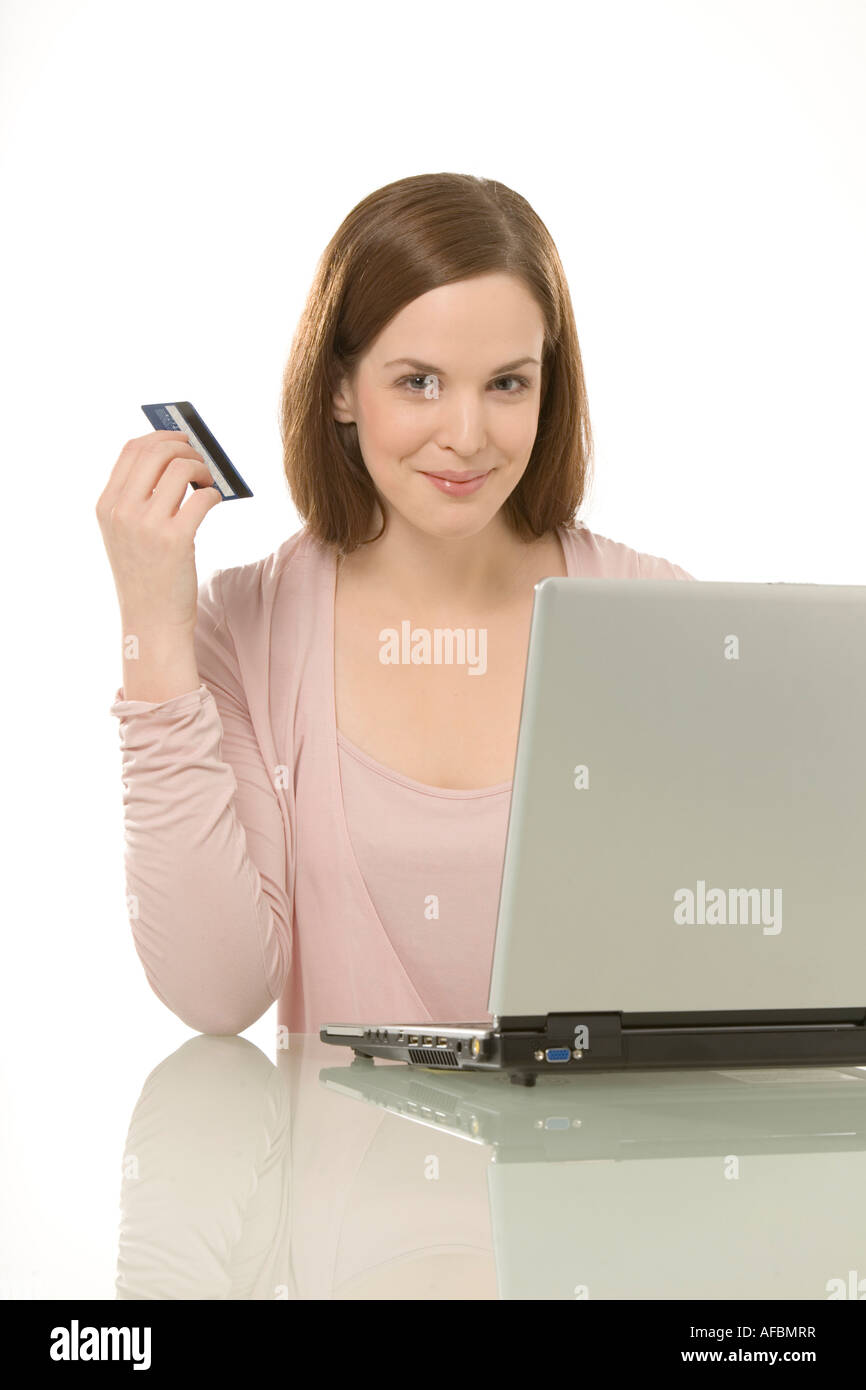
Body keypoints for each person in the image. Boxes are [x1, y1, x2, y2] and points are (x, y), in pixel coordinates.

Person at [96, 172, 694, 1038]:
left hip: (592, 1170)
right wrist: (153, 629)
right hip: (332, 1174)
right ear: (342, 388)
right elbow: (216, 993)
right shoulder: (246, 631)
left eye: (507, 384)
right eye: (418, 382)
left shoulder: (652, 619)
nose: (466, 434)